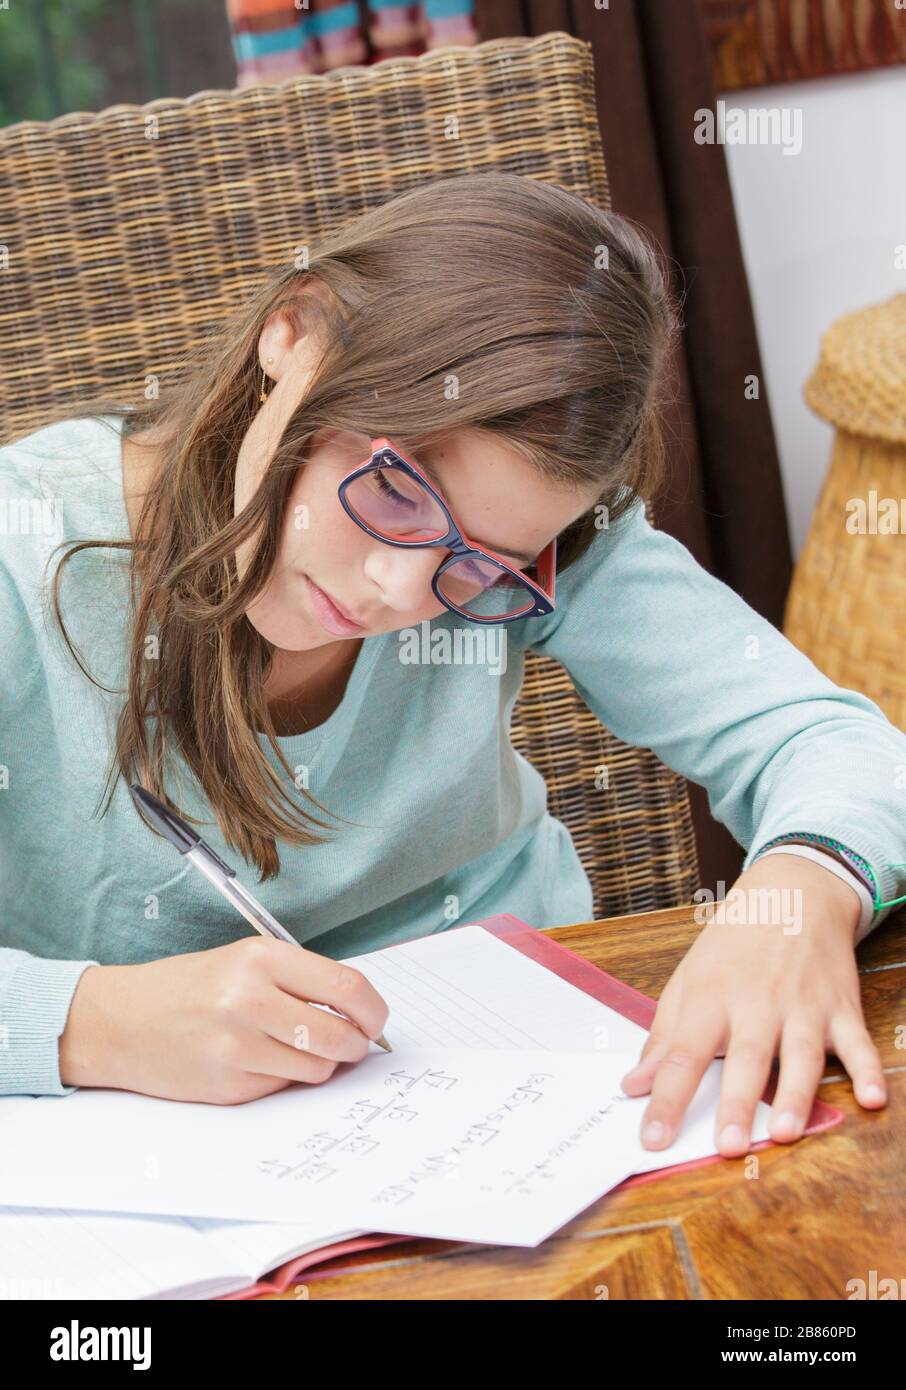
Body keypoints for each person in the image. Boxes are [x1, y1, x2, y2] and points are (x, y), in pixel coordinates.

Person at [1, 173, 902, 1161]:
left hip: (548, 1093)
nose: (396, 587)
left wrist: (804, 891)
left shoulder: (549, 544)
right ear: (293, 334)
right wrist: (86, 1019)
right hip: (154, 1150)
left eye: (480, 567)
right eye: (392, 491)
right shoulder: (22, 551)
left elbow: (828, 739)